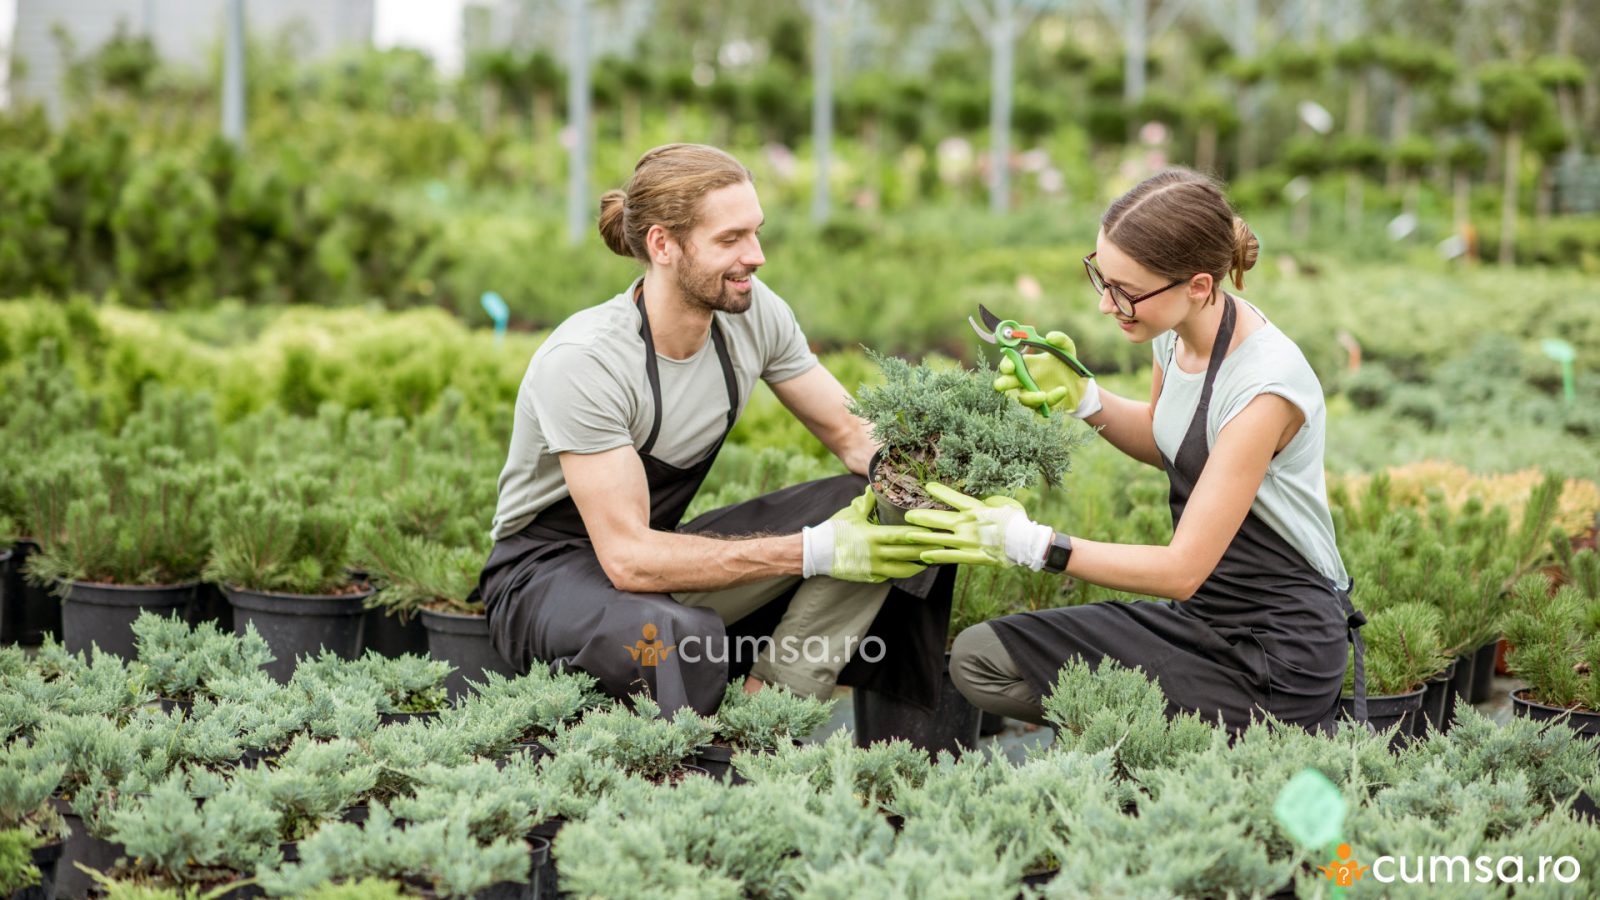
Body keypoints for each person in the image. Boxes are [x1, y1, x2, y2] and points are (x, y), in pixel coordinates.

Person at [476, 144, 954, 717]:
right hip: (545, 578)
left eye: (755, 232)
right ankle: (689, 776)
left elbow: (856, 438)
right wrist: (813, 552)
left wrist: (947, 484)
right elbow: (627, 558)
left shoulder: (753, 312)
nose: (756, 256)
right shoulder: (586, 361)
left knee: (885, 502)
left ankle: (769, 711)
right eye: (730, 239)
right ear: (663, 245)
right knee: (674, 636)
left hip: (655, 554)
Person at [909, 168, 1367, 733]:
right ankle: (1163, 747)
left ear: (1198, 285)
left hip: (1272, 653)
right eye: (1101, 277)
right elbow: (1163, 436)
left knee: (1096, 705)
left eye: (1125, 290)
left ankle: (1187, 752)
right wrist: (1084, 397)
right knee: (981, 658)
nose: (1106, 304)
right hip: (1201, 619)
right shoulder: (1176, 335)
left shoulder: (1263, 390)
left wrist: (1028, 543)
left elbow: (1181, 570)